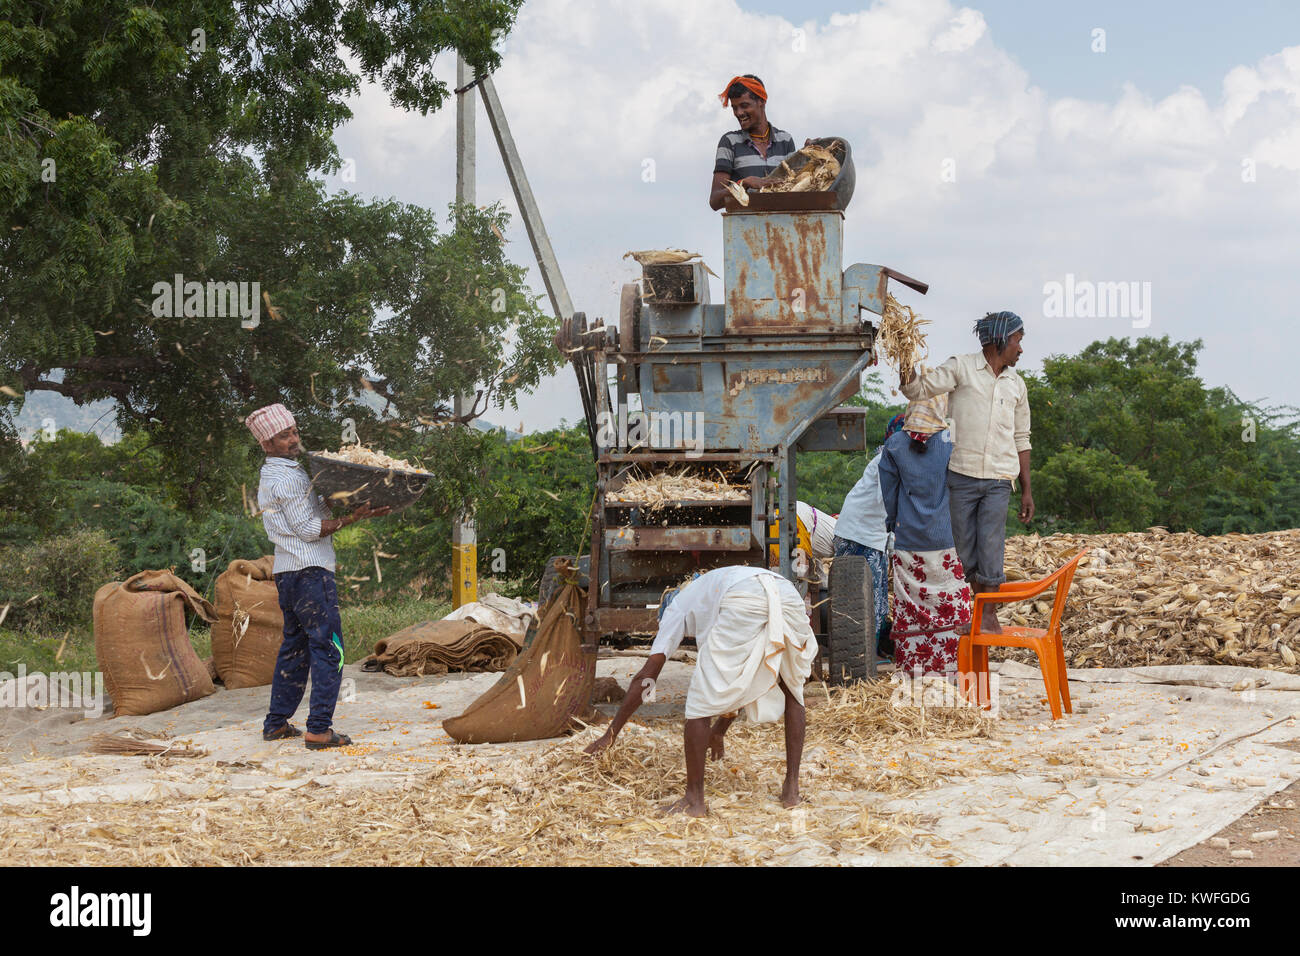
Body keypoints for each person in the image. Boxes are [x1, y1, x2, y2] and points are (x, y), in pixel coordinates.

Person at [584, 564, 819, 817]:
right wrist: (718, 731)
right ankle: (791, 792)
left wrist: (610, 734)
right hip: (787, 594)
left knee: (698, 704)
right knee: (792, 689)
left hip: (744, 597)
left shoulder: (675, 608)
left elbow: (647, 676)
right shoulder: (707, 588)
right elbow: (739, 678)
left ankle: (694, 800)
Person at [247, 404, 390, 749]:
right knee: (330, 650)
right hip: (310, 573)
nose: (294, 439)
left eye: (294, 431)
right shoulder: (289, 478)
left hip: (287, 573)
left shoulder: (276, 474)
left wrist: (349, 502)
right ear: (266, 443)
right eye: (284, 436)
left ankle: (276, 723)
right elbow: (312, 529)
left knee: (294, 649)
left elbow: (315, 510)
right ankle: (319, 729)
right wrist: (352, 519)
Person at [899, 312, 1033, 635]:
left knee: (991, 541)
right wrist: (904, 358)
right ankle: (972, 605)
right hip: (961, 474)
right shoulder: (961, 367)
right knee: (962, 546)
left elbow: (1022, 438)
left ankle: (986, 613)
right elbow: (918, 390)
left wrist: (1027, 490)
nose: (1021, 349)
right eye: (1018, 340)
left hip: (1000, 479)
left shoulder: (1016, 385)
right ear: (1000, 340)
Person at [878, 397, 972, 676]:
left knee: (913, 611)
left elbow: (890, 497)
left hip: (910, 541)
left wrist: (893, 524)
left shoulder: (894, 445)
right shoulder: (952, 442)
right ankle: (956, 669)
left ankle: (915, 671)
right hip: (951, 541)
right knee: (952, 610)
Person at [832, 413, 907, 657]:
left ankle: (874, 652)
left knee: (877, 598)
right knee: (866, 601)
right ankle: (865, 658)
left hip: (870, 536)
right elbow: (888, 504)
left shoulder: (891, 459)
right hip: (859, 536)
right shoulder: (888, 461)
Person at [709, 74, 798, 210]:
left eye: (744, 106)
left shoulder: (785, 140)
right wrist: (743, 184)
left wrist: (807, 156)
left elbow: (797, 187)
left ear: (761, 101)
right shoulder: (729, 142)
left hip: (783, 227)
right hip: (745, 229)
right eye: (734, 108)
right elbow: (715, 201)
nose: (739, 113)